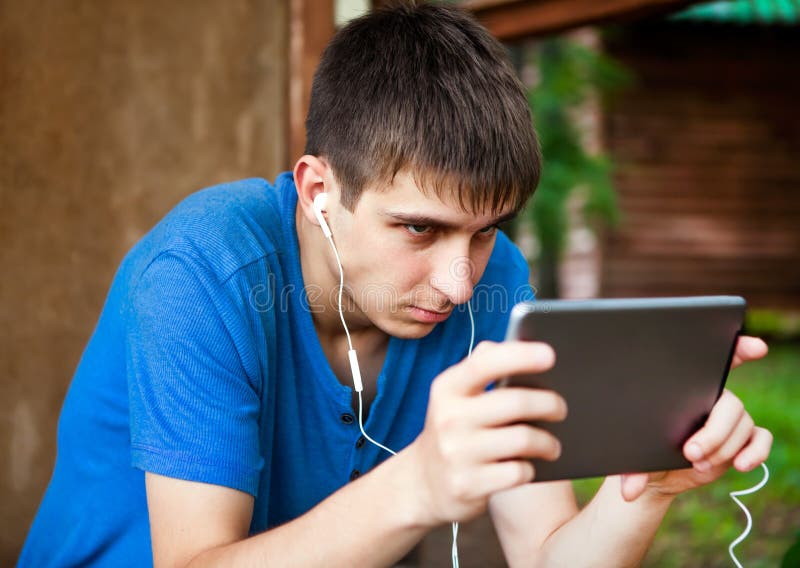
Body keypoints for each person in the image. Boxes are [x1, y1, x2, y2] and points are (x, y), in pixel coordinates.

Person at [20, 3, 772, 567]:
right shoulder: (201, 272)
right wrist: (417, 485)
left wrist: (643, 487)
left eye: (485, 231)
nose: (456, 281)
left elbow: (547, 553)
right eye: (419, 229)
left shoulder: (495, 281)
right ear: (318, 191)